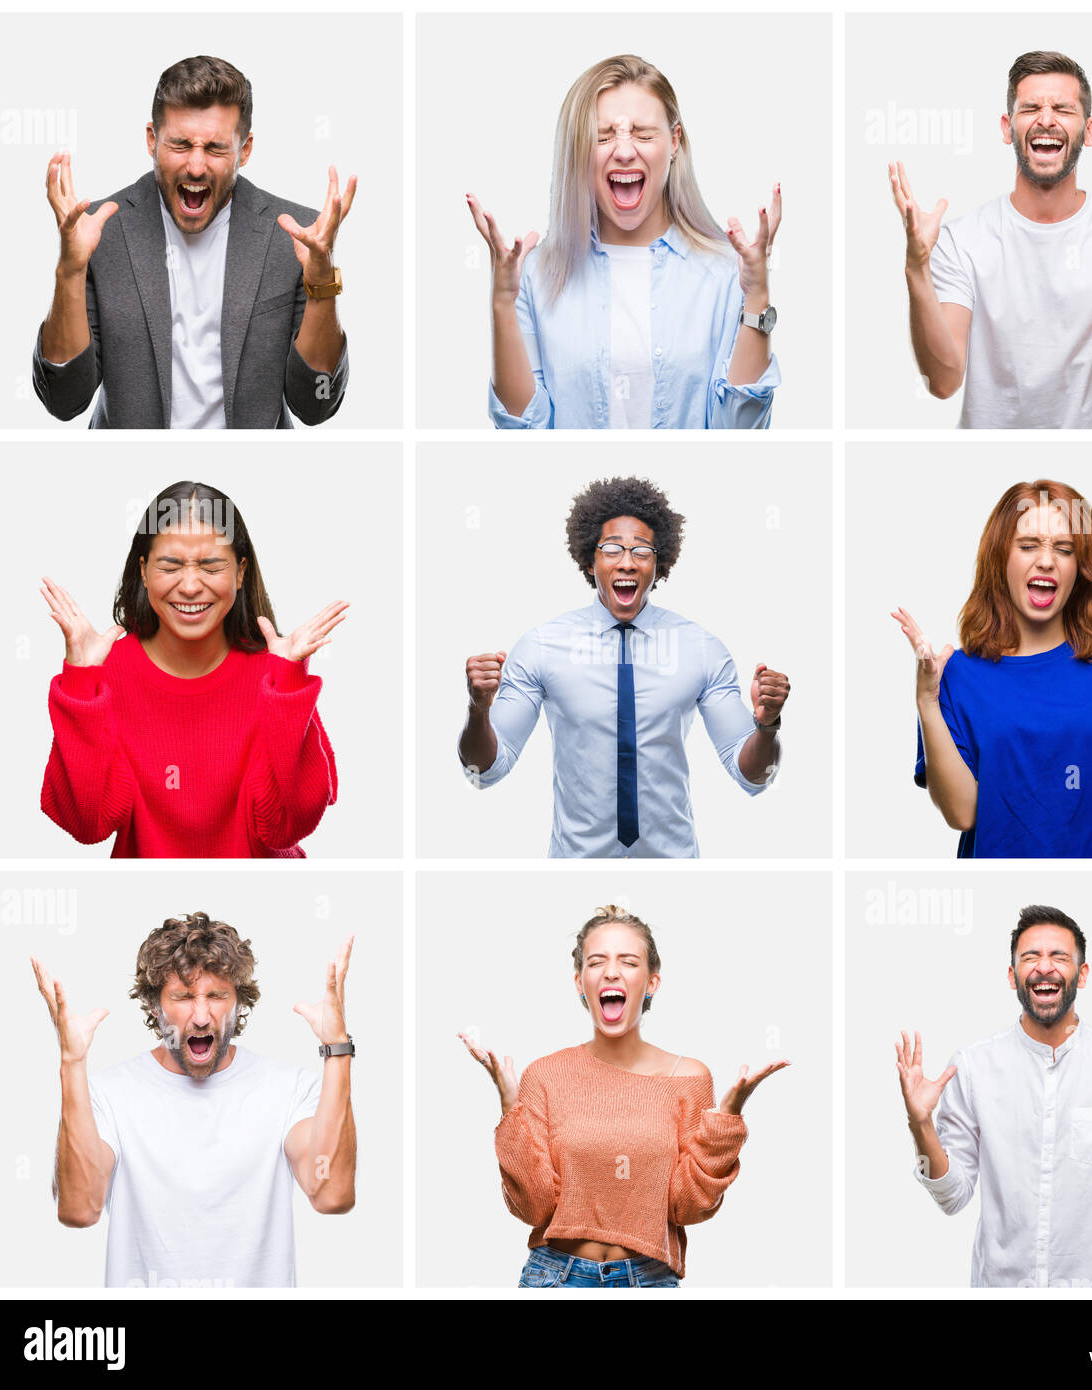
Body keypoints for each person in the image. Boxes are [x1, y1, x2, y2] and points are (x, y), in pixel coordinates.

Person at [459, 475, 790, 857]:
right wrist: (478, 709)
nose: (628, 563)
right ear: (589, 560)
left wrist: (766, 726)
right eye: (612, 549)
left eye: (642, 552)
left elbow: (752, 776)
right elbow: (483, 772)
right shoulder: (541, 647)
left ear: (660, 563)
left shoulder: (702, 649)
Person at [459, 905, 788, 1287]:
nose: (611, 971)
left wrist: (726, 1121)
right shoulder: (544, 1075)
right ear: (580, 982)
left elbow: (688, 1207)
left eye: (628, 962)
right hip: (555, 1277)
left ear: (652, 982)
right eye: (596, 962)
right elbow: (534, 1208)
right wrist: (509, 1106)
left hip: (648, 1279)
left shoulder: (688, 1078)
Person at [888, 50, 1092, 428]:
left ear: (1088, 130)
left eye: (1062, 108)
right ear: (1006, 127)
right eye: (1030, 108)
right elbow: (943, 382)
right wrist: (916, 268)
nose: (1046, 119)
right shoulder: (961, 240)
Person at [31, 913, 356, 1288]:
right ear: (155, 1005)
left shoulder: (288, 1088)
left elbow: (332, 1194)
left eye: (217, 996)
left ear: (238, 1004)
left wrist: (337, 1048)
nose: (201, 1016)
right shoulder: (107, 1094)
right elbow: (78, 1208)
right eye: (183, 997)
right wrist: (72, 1063)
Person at [892, 478, 1092, 857]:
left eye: (1063, 549)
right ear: (1001, 559)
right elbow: (961, 814)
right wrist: (927, 703)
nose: (1046, 560)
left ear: (1080, 567)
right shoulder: (957, 675)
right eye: (1028, 546)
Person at [895, 905, 1092, 1288]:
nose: (1044, 967)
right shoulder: (973, 1067)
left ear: (1083, 973)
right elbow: (952, 1196)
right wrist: (920, 1123)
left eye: (1059, 956)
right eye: (1031, 957)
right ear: (1013, 977)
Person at [33, 54, 354, 428]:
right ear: (152, 140)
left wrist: (322, 283)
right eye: (181, 144)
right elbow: (63, 401)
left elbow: (317, 404)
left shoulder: (295, 234)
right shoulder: (100, 231)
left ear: (244, 150)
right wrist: (69, 271)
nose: (197, 166)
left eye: (216, 148)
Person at [467, 53, 780, 429]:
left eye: (644, 134)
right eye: (602, 137)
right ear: (578, 151)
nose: (626, 150)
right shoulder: (533, 276)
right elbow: (524, 436)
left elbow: (739, 434)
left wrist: (757, 294)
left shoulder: (726, 274)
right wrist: (503, 303)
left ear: (675, 142)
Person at [40, 479, 344, 857]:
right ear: (144, 570)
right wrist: (82, 683)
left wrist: (287, 685)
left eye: (210, 566)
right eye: (170, 566)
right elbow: (87, 825)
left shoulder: (276, 676)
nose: (189, 586)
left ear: (240, 571)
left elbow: (287, 826)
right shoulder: (106, 675)